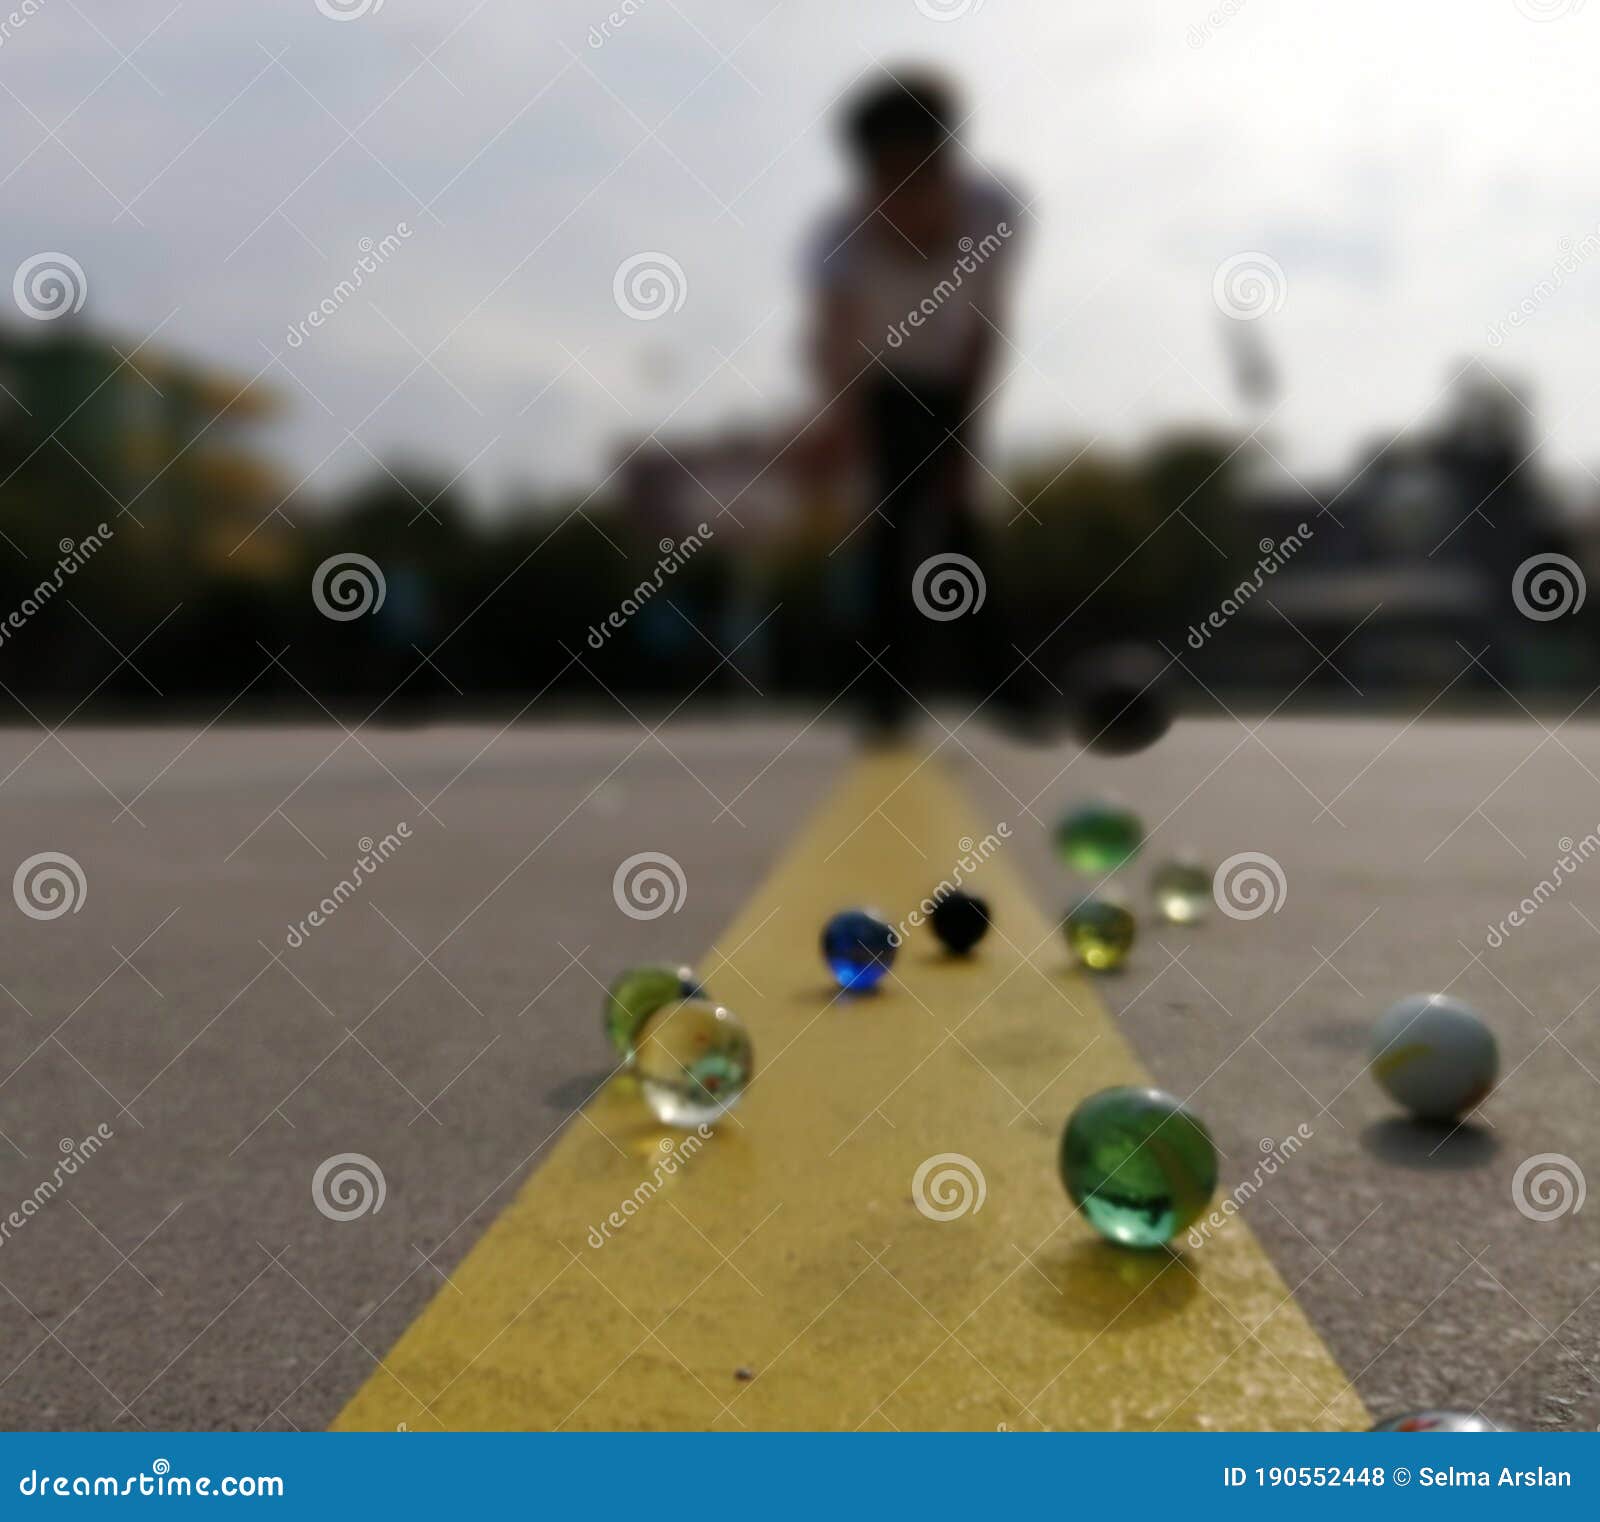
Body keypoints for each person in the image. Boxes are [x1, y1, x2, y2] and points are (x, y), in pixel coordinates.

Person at [806, 69, 1034, 737]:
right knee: (890, 529)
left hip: (949, 382)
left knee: (961, 530)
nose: (902, 204)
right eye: (887, 184)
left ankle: (1003, 690)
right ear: (867, 183)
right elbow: (835, 345)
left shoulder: (993, 211)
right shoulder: (838, 242)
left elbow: (988, 321)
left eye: (918, 179)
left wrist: (968, 437)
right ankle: (884, 701)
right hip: (877, 382)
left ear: (947, 169)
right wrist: (846, 430)